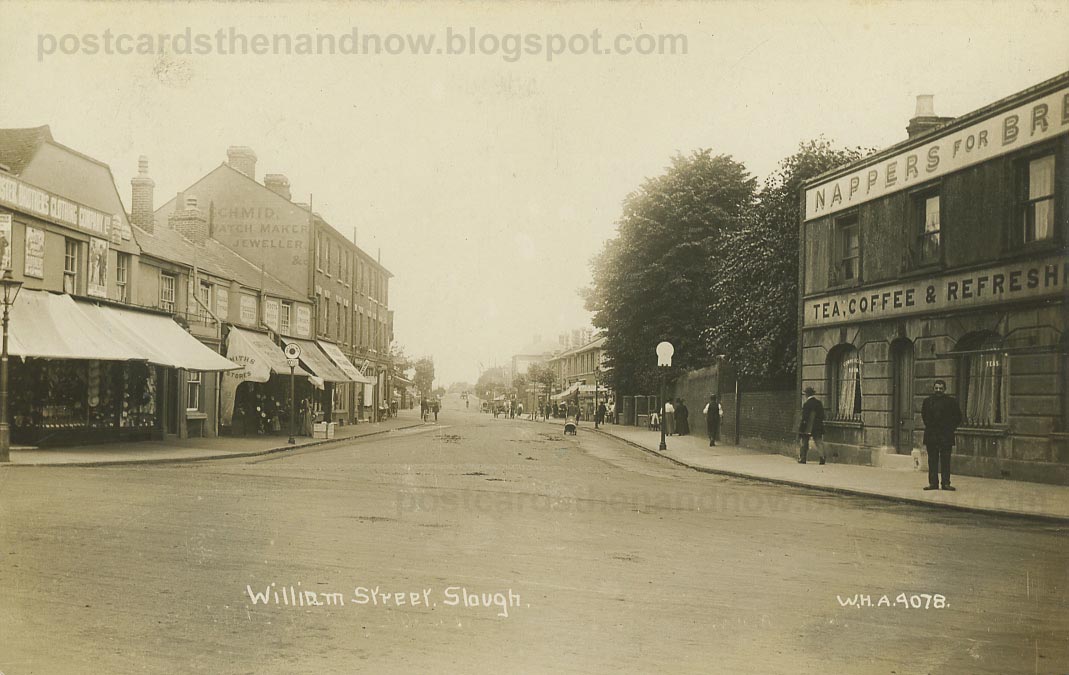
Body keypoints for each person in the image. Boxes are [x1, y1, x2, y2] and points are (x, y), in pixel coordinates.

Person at [921, 379, 962, 491]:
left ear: (945, 389)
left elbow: (958, 417)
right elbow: (924, 416)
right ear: (933, 389)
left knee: (945, 460)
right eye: (936, 388)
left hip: (946, 435)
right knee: (932, 460)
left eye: (941, 388)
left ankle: (946, 483)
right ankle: (933, 483)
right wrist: (931, 427)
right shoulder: (927, 401)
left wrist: (949, 429)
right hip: (932, 435)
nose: (938, 390)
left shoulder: (951, 402)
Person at [798, 386, 826, 465]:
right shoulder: (819, 403)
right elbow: (822, 415)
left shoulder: (806, 404)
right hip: (817, 426)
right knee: (819, 442)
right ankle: (822, 458)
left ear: (806, 394)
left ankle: (803, 459)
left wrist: (802, 428)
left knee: (804, 442)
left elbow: (805, 417)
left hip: (808, 427)